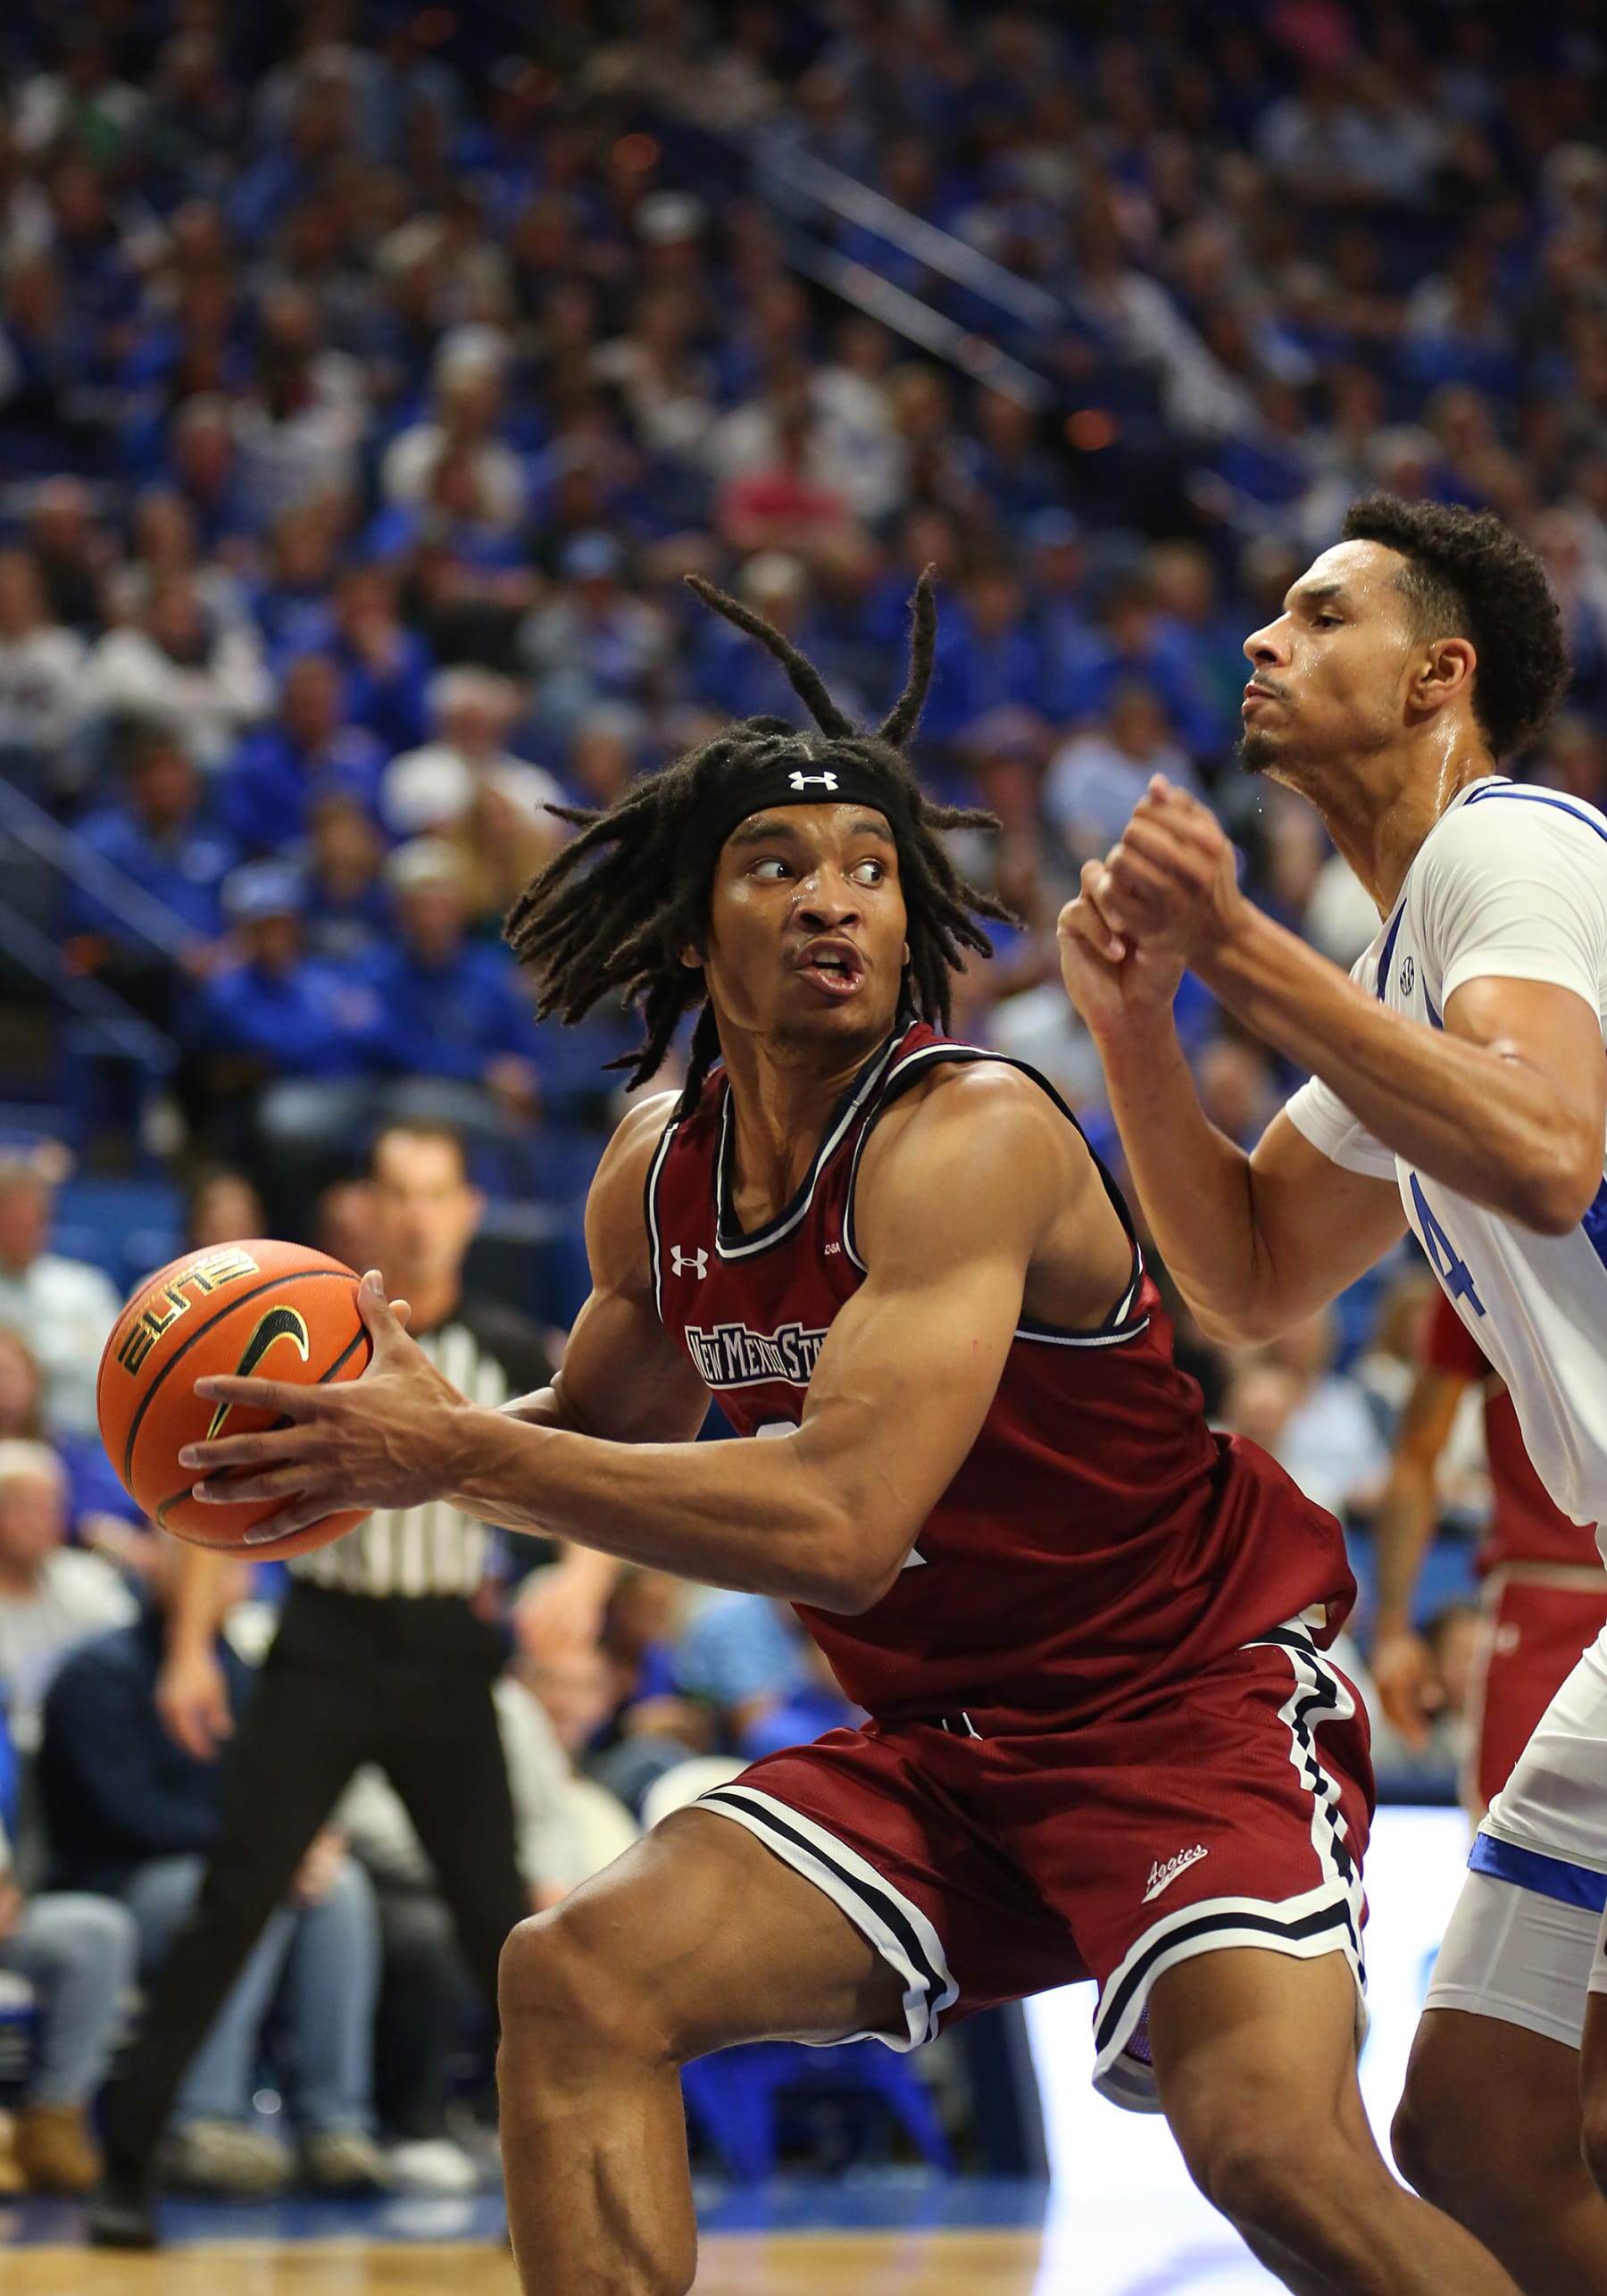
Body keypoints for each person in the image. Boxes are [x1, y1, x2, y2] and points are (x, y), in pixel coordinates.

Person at [172, 575, 1523, 2296]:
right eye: (778, 867)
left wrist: (454, 1457)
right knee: (578, 1976)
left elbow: (842, 1523)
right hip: (948, 1748)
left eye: (871, 871)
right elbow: (599, 1431)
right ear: (688, 929)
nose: (836, 901)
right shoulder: (655, 1170)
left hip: (1185, 1707)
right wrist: (355, 1445)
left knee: (1271, 2150)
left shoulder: (970, 1135)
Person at [1056, 493, 1607, 2292]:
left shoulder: (1506, 853)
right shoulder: (1400, 965)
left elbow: (1541, 1150)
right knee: (1476, 2134)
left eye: (1318, 614)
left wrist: (1237, 951)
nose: (1259, 641)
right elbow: (1249, 1272)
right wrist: (1143, 1028)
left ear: (1441, 674)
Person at [87, 1121, 551, 2249]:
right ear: (370, 1211)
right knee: (236, 1900)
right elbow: (210, 1495)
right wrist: (195, 1646)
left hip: (447, 1655)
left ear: (466, 1212)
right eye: (397, 1191)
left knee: (507, 1922)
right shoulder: (309, 1338)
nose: (418, 1214)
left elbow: (590, 1456)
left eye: (437, 1193)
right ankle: (128, 2160)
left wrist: (579, 1587)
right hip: (325, 1646)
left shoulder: (498, 1345)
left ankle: (550, 2177)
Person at [40, 1554, 384, 2199]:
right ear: (157, 1565)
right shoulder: (96, 1672)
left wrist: (304, 1839)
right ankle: (202, 2119)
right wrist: (259, 1851)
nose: (224, 1580)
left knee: (343, 1891)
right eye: (205, 1566)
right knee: (250, 1890)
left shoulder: (244, 1674)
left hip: (219, 1861)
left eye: (232, 1570)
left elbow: (278, 1790)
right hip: (119, 1878)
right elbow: (123, 1813)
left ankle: (336, 2123)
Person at [1372, 1290, 1607, 1825]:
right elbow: (1416, 1454)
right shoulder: (1488, 1238)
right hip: (1546, 1604)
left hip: (1545, 1604)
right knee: (1509, 1859)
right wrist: (1390, 1632)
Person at [0, 1153, 122, 1440]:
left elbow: (113, 1378)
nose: (23, 1225)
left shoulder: (87, 1287)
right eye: (11, 1215)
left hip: (79, 1444)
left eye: (32, 1214)